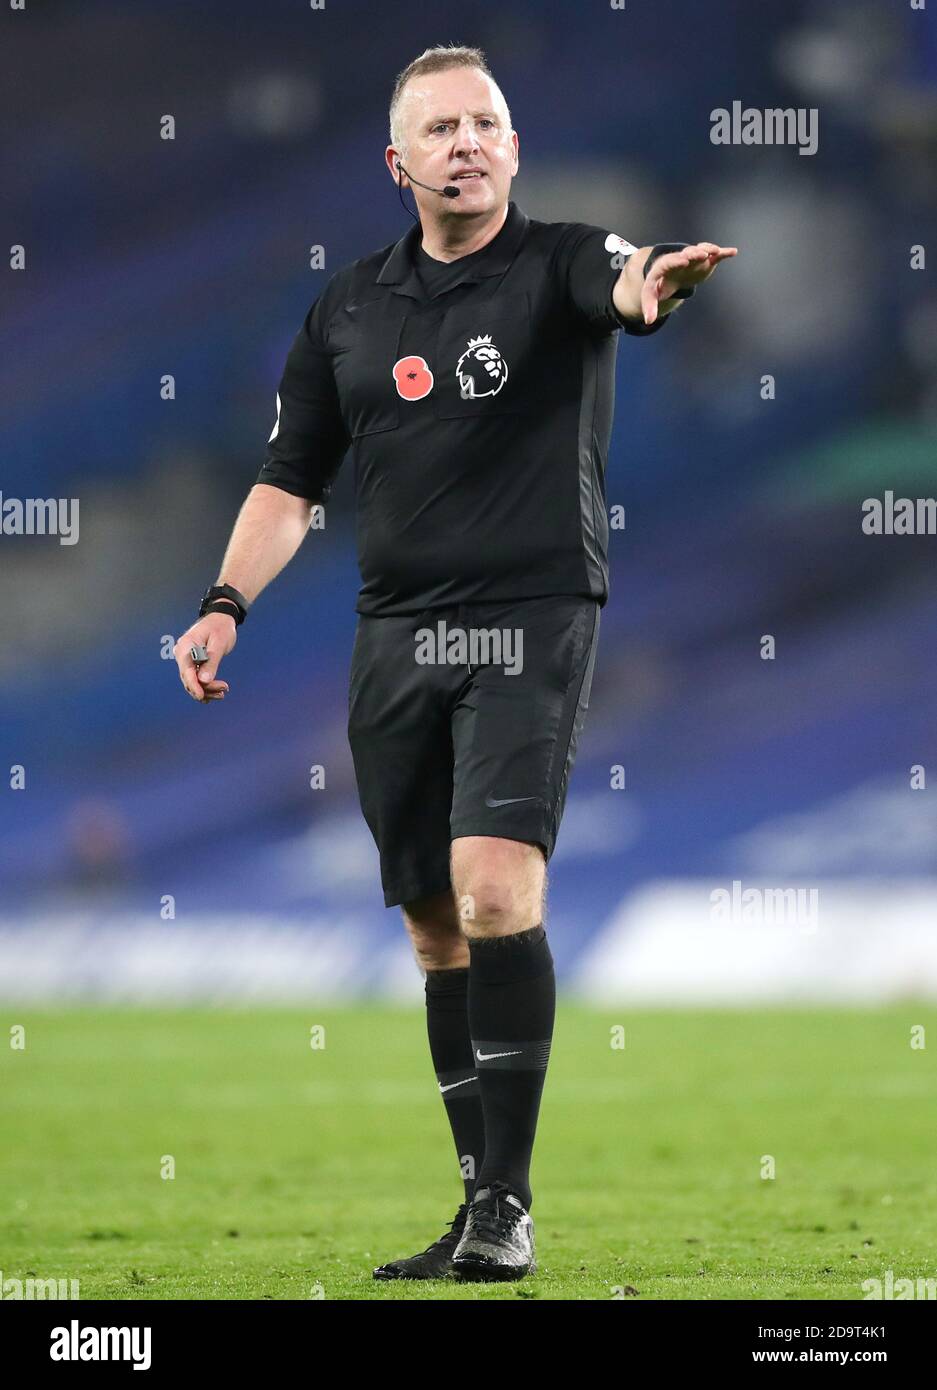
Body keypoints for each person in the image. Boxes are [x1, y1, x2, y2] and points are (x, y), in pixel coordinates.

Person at [173, 44, 737, 1283]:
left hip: (533, 612)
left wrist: (662, 286)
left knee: (493, 891)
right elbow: (287, 479)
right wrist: (223, 602)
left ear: (515, 148)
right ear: (399, 162)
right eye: (440, 129)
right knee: (434, 922)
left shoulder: (564, 259)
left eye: (486, 122)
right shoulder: (350, 311)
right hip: (397, 630)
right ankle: (478, 1199)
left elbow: (629, 289)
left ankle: (508, 1209)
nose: (467, 142)